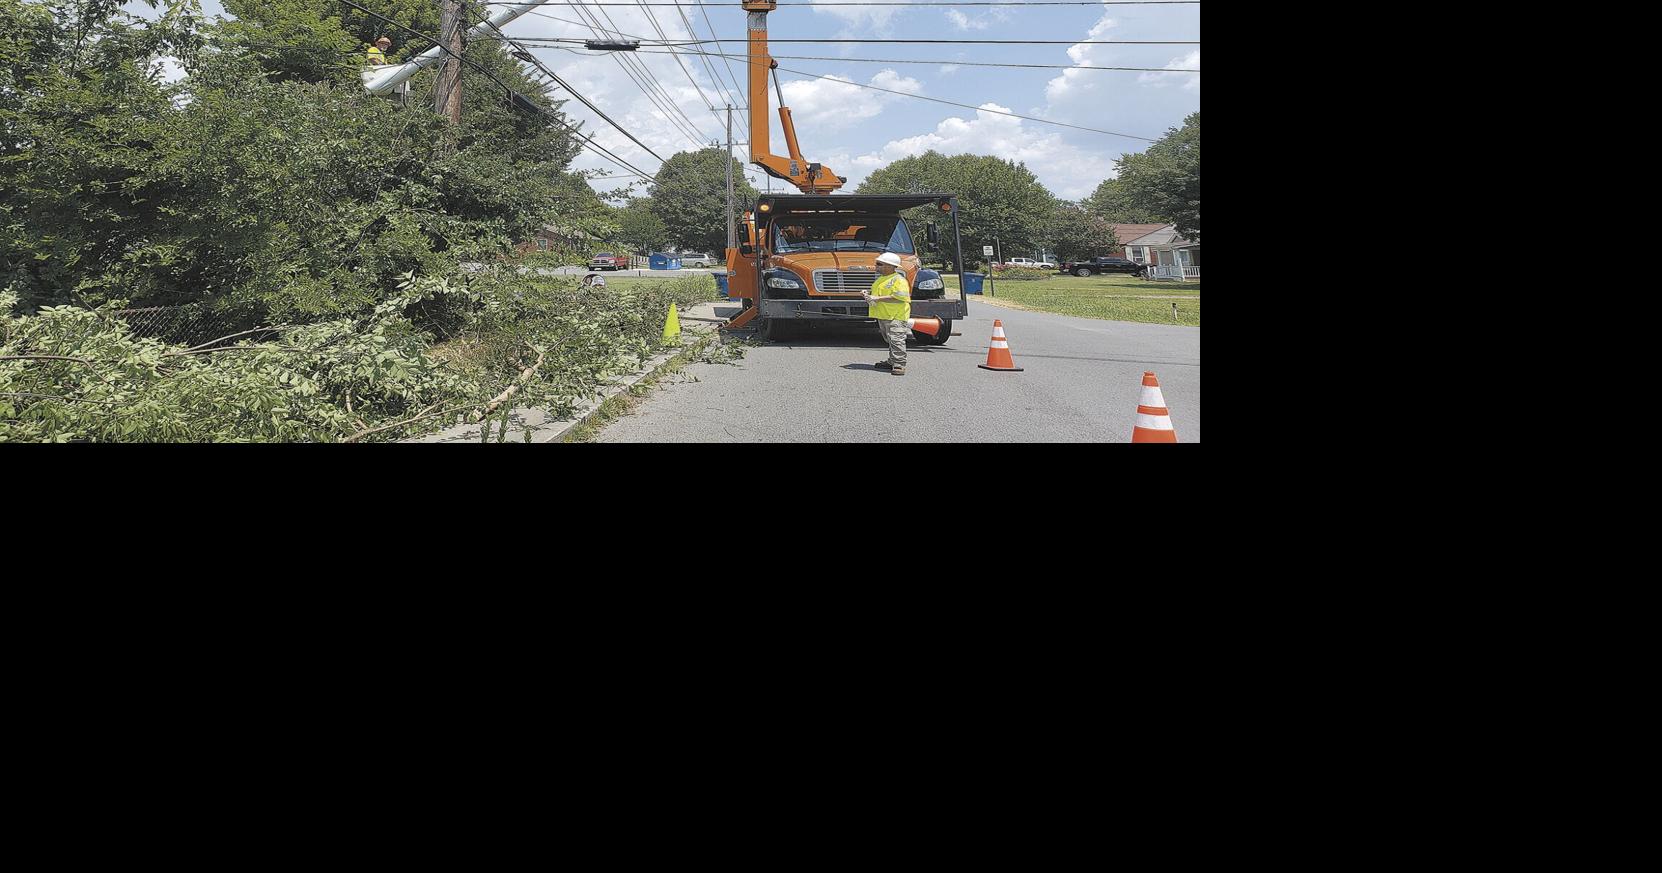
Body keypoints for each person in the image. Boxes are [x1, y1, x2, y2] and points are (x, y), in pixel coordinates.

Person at [861, 251, 911, 376]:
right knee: (890, 340)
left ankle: (899, 364)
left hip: (896, 316)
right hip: (884, 315)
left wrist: (876, 299)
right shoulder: (881, 280)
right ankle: (892, 361)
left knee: (896, 340)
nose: (876, 266)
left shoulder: (899, 280)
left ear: (889, 266)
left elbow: (901, 297)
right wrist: (867, 295)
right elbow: (878, 295)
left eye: (879, 264)